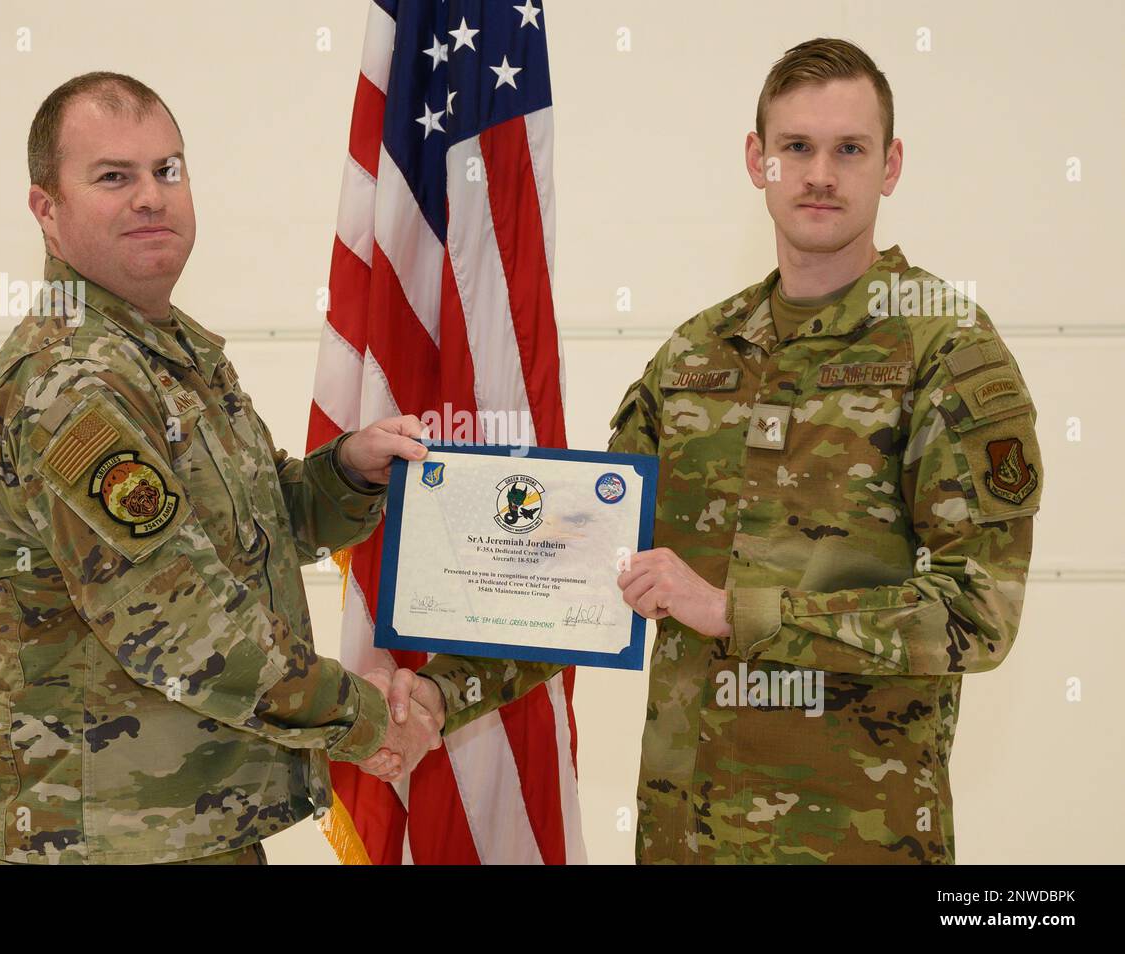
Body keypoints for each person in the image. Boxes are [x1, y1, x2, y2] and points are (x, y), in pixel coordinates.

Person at [376, 38, 1043, 864]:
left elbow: (977, 614)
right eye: (795, 147)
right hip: (682, 836)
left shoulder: (948, 351)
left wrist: (734, 611)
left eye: (849, 149)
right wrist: (443, 693)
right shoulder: (693, 357)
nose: (820, 174)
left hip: (854, 842)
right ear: (757, 160)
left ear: (891, 165)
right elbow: (581, 572)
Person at [0, 71, 439, 865]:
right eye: (114, 177)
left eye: (166, 170)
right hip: (100, 845)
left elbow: (242, 535)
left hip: (188, 832)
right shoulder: (72, 386)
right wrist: (369, 719)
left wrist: (347, 473)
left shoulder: (167, 354)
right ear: (47, 209)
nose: (151, 196)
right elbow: (182, 624)